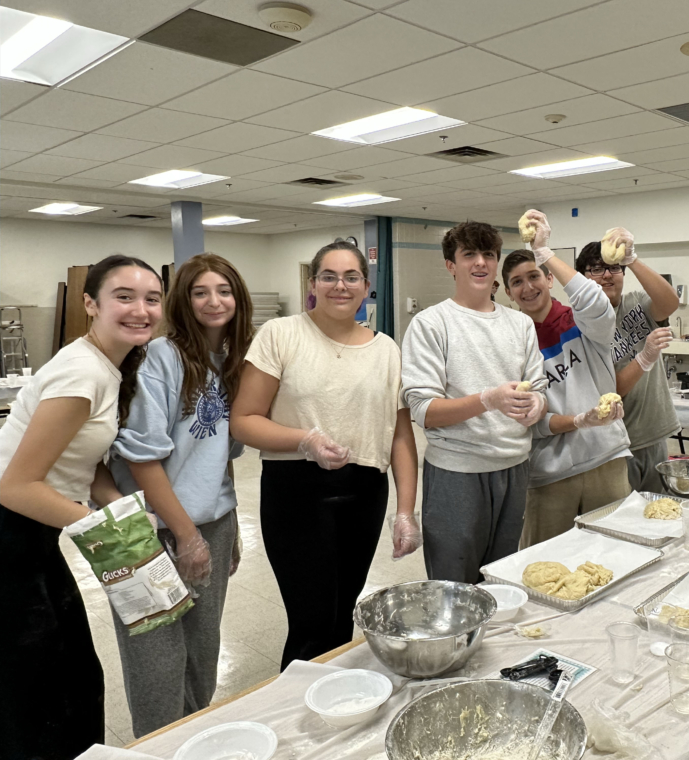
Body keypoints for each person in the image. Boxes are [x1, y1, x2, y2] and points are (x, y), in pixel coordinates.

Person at [0, 256, 163, 759]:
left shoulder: (106, 365)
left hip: (34, 533)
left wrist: (117, 504)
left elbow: (80, 457)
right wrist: (108, 528)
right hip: (10, 535)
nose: (140, 309)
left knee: (72, 674)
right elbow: (15, 486)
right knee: (40, 691)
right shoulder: (81, 375)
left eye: (151, 299)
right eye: (124, 296)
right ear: (90, 303)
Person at [231, 239, 419, 670]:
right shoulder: (281, 334)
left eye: (351, 276)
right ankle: (295, 713)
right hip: (296, 490)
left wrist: (406, 511)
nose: (340, 285)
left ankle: (331, 704)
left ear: (365, 285)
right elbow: (243, 419)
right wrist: (304, 440)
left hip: (364, 493)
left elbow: (400, 437)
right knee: (311, 620)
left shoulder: (386, 349)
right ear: (313, 283)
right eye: (329, 276)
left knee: (342, 614)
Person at [107, 254, 253, 737]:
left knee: (202, 650)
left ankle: (192, 740)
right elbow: (140, 458)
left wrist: (224, 528)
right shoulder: (160, 359)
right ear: (183, 301)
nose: (214, 301)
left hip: (210, 521)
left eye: (224, 290)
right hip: (147, 532)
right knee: (157, 661)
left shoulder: (232, 360)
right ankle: (159, 746)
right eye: (200, 292)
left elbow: (219, 453)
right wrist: (187, 537)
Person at [402, 221, 546, 583]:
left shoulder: (521, 325)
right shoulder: (431, 324)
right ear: (451, 265)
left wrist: (537, 405)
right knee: (454, 584)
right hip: (458, 473)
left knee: (500, 580)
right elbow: (425, 412)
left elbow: (539, 387)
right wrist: (488, 399)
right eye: (469, 255)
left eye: (489, 255)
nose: (480, 263)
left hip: (514, 468)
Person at [503, 210, 630, 547]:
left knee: (616, 555)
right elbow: (531, 420)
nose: (528, 287)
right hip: (550, 475)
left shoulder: (582, 322)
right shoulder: (512, 344)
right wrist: (577, 420)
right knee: (545, 566)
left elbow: (596, 301)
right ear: (507, 293)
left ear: (549, 279)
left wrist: (545, 251)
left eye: (534, 276)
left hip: (607, 459)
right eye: (517, 282)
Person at [575, 234, 678, 492]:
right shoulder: (580, 328)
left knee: (659, 514)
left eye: (613, 268)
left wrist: (631, 259)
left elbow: (670, 302)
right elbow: (610, 391)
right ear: (582, 278)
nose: (607, 275)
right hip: (617, 443)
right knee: (622, 521)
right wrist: (644, 358)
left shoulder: (636, 304)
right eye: (596, 269)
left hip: (654, 433)